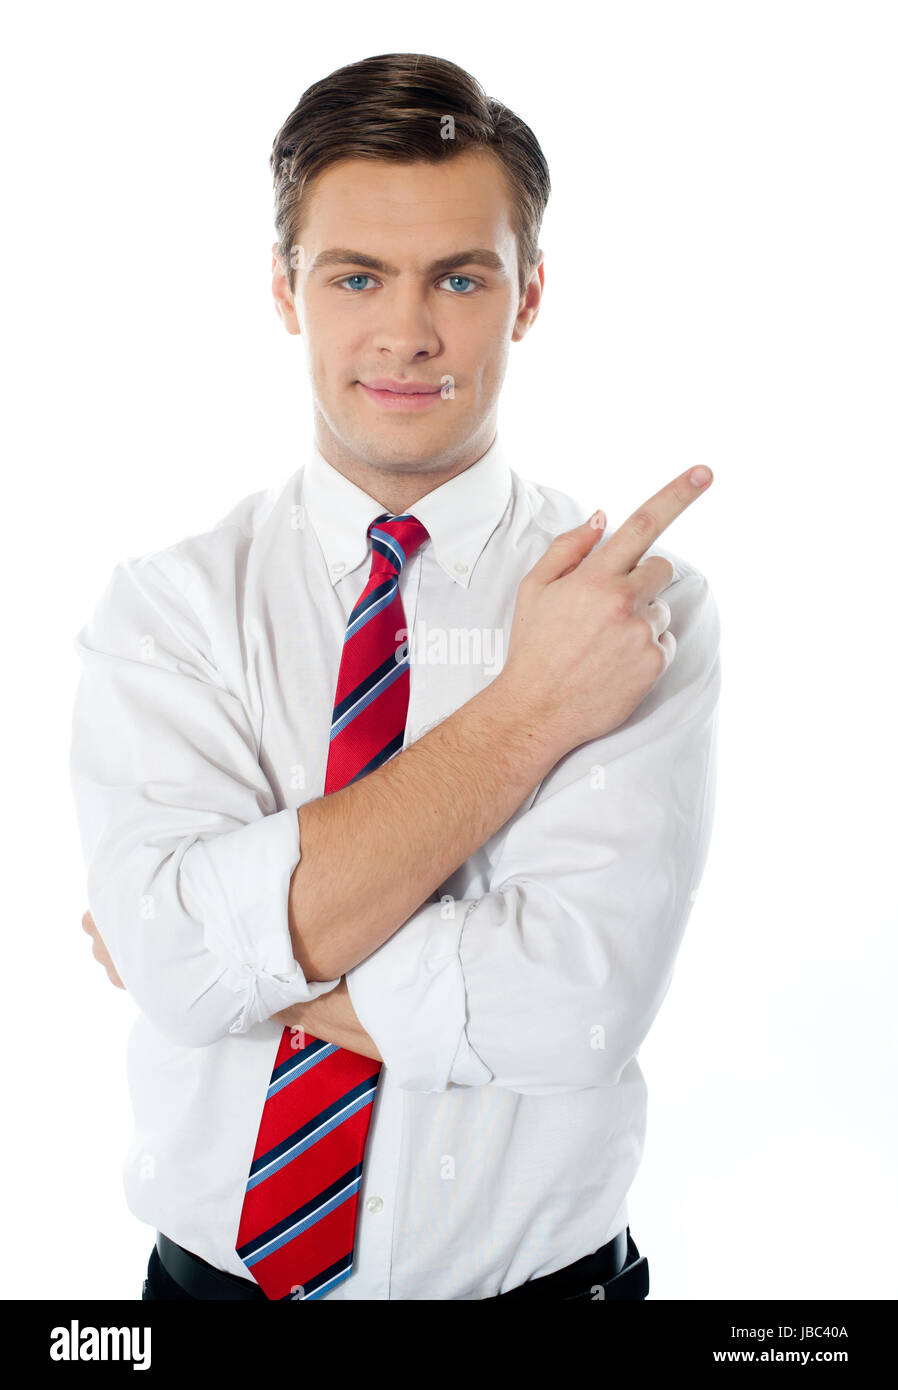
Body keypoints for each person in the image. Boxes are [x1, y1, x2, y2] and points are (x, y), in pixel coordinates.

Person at [70, 52, 720, 1301]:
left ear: (528, 294)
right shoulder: (168, 606)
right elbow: (181, 962)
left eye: (460, 277)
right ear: (285, 291)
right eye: (355, 275)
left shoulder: (637, 609)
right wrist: (530, 713)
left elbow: (572, 1012)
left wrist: (232, 955)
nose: (408, 332)